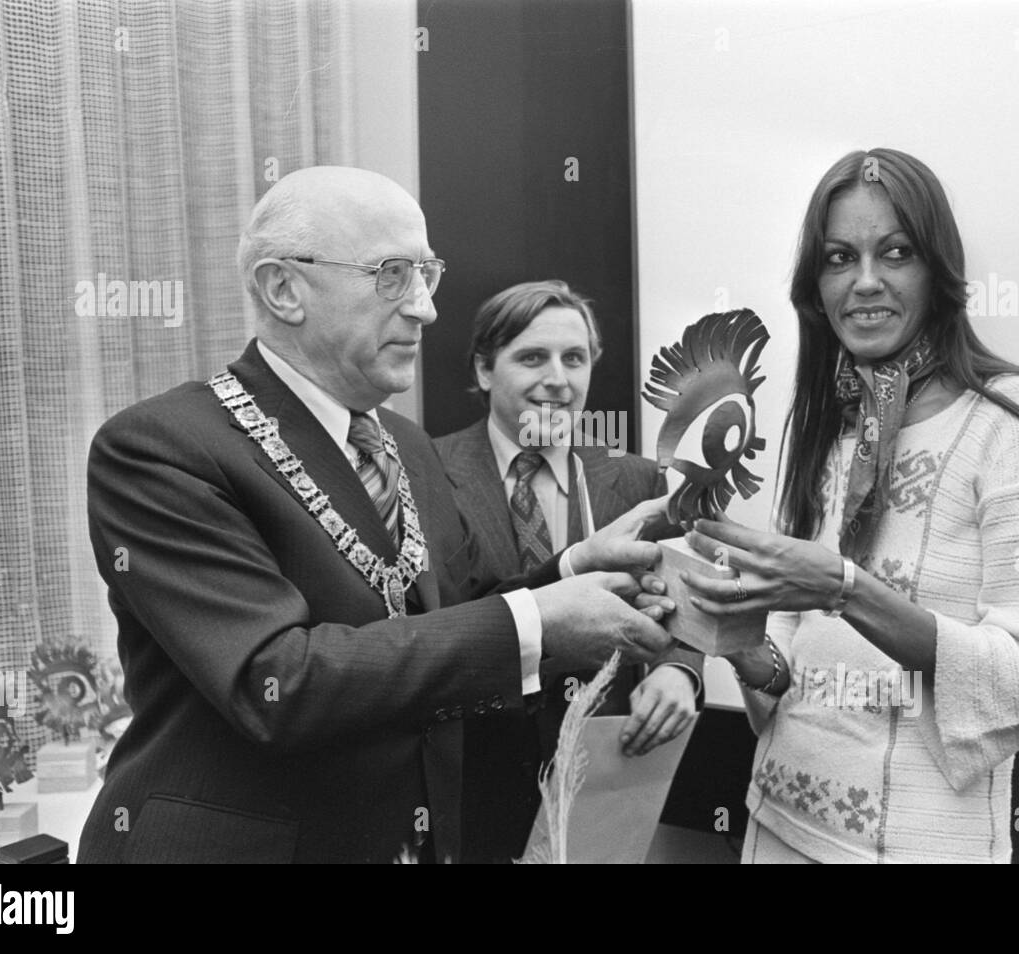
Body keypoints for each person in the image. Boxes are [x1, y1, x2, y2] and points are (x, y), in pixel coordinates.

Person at [77, 167, 676, 864]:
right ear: (283, 289)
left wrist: (574, 568)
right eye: (392, 274)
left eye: (428, 275)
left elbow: (454, 613)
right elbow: (277, 681)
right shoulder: (164, 448)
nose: (424, 309)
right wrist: (544, 618)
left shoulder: (407, 445)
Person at [665, 148, 1019, 863]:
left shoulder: (1012, 420)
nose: (864, 282)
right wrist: (739, 635)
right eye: (839, 257)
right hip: (773, 827)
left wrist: (844, 588)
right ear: (816, 283)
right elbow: (792, 679)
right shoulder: (829, 426)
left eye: (894, 253)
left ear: (938, 271)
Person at [434, 280, 701, 862]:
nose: (559, 378)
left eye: (574, 359)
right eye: (532, 357)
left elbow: (682, 610)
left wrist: (680, 672)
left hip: (603, 771)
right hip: (472, 779)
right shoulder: (426, 471)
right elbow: (436, 623)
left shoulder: (636, 481)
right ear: (484, 370)